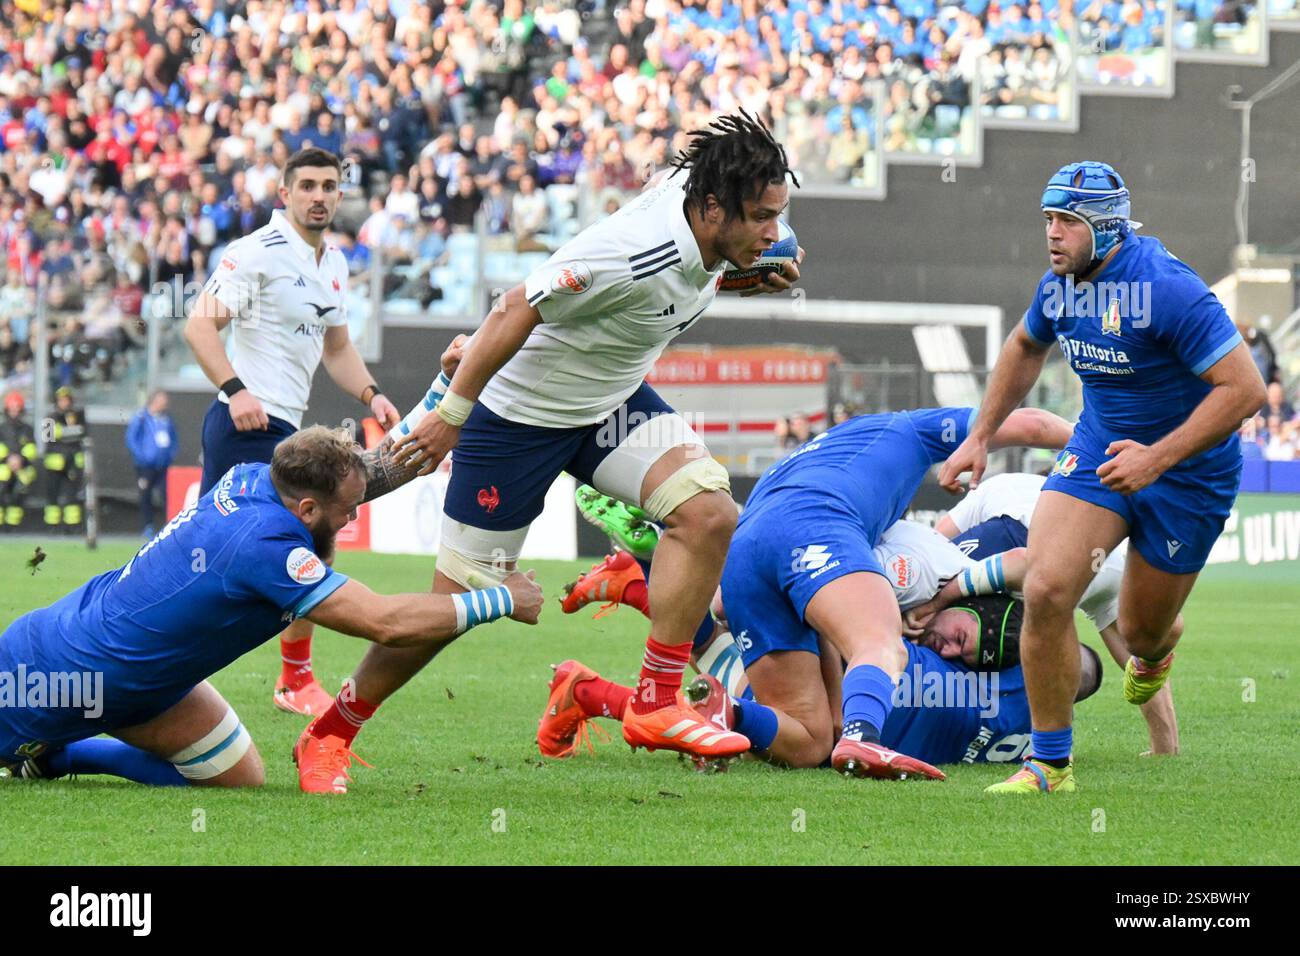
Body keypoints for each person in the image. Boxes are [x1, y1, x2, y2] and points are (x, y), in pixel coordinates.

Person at [294, 111, 806, 793]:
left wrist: (744, 273)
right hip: (514, 417)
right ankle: (330, 730)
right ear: (711, 206)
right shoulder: (633, 249)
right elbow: (512, 309)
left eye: (779, 214)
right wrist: (452, 412)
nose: (774, 233)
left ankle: (656, 699)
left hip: (606, 403)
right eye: (760, 217)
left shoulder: (710, 216)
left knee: (709, 514)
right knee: (452, 609)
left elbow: (691, 274)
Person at [939, 161, 1265, 793]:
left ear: (1107, 228)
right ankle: (1050, 765)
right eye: (1048, 220)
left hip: (1189, 475)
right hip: (1097, 452)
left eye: (1067, 222)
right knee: (1048, 588)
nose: (1052, 234)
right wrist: (981, 435)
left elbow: (1245, 390)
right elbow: (1024, 347)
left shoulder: (1168, 288)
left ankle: (1157, 647)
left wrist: (1156, 459)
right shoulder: (1059, 286)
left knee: (1141, 631)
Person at [542, 404, 1072, 778]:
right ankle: (860, 740)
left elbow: (726, 604)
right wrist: (1087, 444)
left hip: (751, 542)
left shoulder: (828, 449)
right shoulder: (920, 442)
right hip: (816, 530)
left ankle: (642, 610)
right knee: (879, 643)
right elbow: (1026, 422)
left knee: (806, 739)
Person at [0, 427, 543, 790]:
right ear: (307, 509)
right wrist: (499, 599)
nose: (354, 518)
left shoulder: (257, 477)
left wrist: (448, 393)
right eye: (347, 512)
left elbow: (366, 472)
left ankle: (58, 756)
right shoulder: (265, 549)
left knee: (240, 778)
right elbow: (386, 622)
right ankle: (43, 743)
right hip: (54, 672)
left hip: (135, 669)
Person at [184, 147, 401, 718]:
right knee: (270, 551)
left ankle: (288, 678)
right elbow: (199, 324)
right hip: (243, 426)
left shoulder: (334, 263)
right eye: (307, 185)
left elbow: (337, 349)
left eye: (329, 186)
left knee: (271, 550)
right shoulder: (256, 252)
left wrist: (372, 394)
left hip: (284, 429)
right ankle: (286, 678)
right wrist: (236, 390)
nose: (319, 195)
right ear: (285, 193)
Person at [933, 471, 1180, 755]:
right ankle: (1165, 747)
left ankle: (1040, 749)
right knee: (1143, 650)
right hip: (1102, 557)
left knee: (965, 633)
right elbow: (1143, 659)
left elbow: (933, 546)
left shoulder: (996, 488)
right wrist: (1164, 746)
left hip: (1031, 541)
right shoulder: (1014, 490)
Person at [125, 389, 178, 539]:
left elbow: (173, 438)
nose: (166, 403)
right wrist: (142, 457)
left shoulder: (167, 419)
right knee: (145, 496)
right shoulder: (141, 418)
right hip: (145, 467)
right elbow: (131, 439)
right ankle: (147, 526)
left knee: (165, 495)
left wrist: (170, 454)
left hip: (163, 465)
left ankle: (167, 526)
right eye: (162, 399)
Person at [0, 390, 37, 531]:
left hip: (23, 467)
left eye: (17, 409)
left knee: (19, 493)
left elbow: (31, 448)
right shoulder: (1, 428)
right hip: (3, 466)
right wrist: (9, 458)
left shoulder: (27, 428)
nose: (14, 412)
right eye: (12, 408)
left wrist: (20, 460)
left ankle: (13, 524)